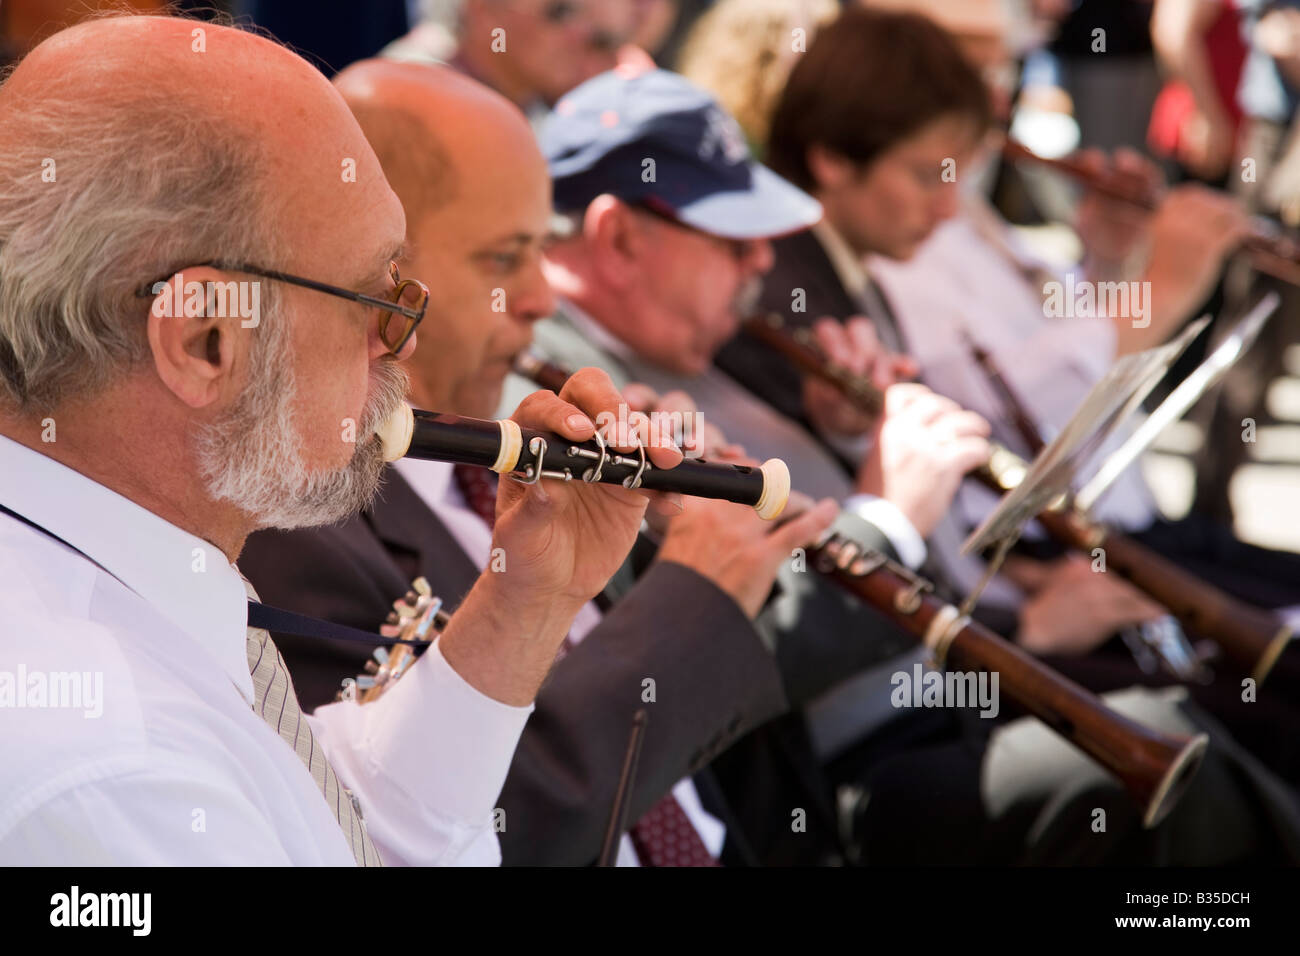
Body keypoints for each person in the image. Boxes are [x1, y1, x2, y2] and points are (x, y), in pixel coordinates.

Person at [505, 65, 1300, 864]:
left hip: (920, 687)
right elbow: (716, 650)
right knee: (1185, 760)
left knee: (1218, 718)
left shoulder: (694, 336)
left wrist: (849, 439)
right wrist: (889, 512)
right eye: (733, 241)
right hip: (821, 773)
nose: (761, 266)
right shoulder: (565, 401)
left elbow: (797, 523)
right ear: (617, 237)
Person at [0, 13, 671, 865]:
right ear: (207, 338)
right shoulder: (121, 773)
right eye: (380, 298)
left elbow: (329, 817)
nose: (404, 342)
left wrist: (526, 599)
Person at [236, 59, 876, 867]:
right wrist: (692, 592)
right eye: (504, 261)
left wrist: (661, 539)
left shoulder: (531, 450)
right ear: (370, 271)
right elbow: (490, 823)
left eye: (542, 253)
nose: (541, 299)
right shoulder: (297, 529)